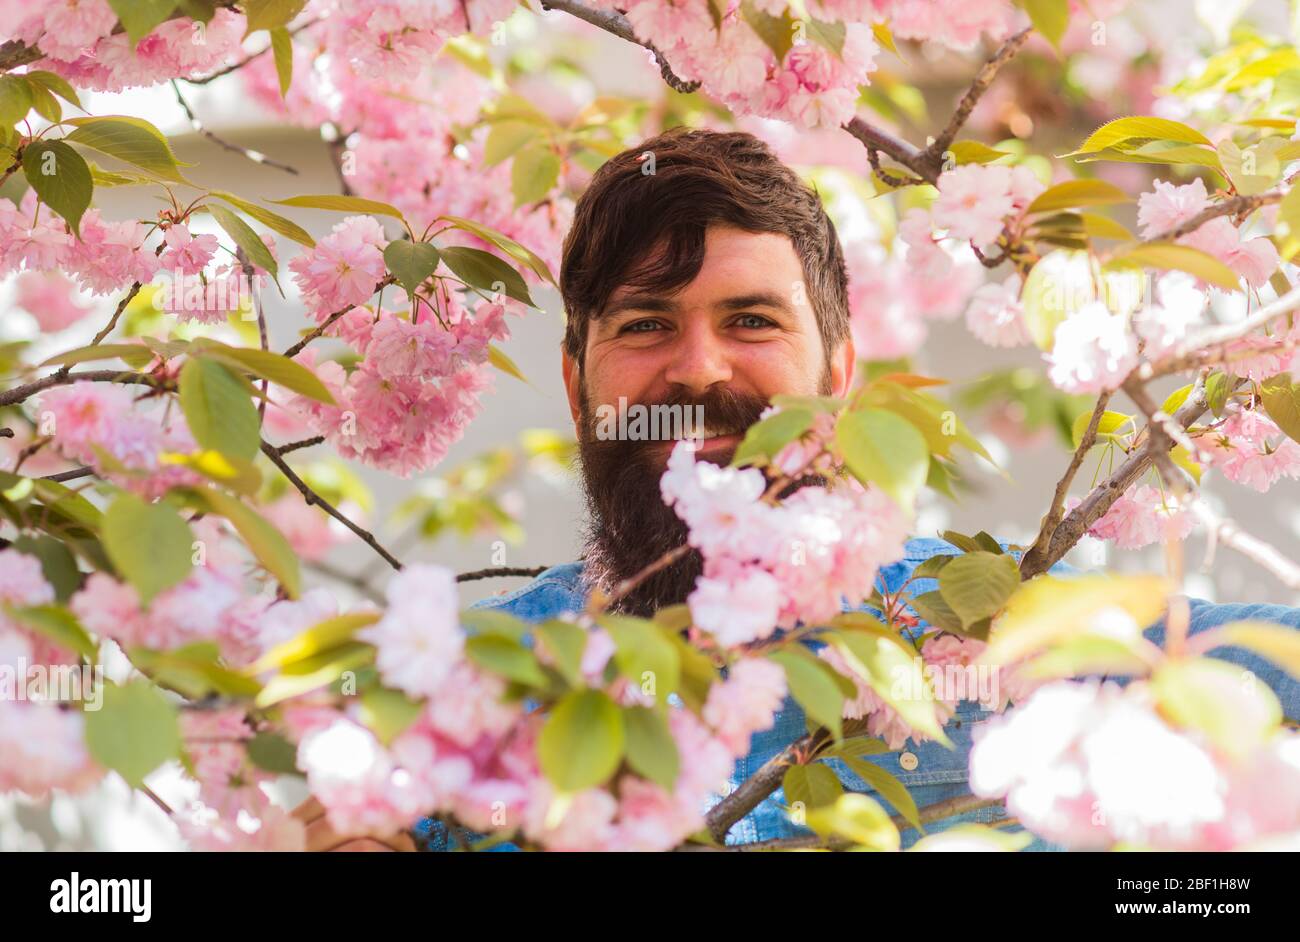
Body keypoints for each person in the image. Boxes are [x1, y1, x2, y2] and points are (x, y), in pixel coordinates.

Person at [311, 127, 1300, 852]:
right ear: (577, 386)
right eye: (645, 325)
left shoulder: (1016, 641)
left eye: (750, 321)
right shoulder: (450, 708)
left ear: (838, 377)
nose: (697, 370)